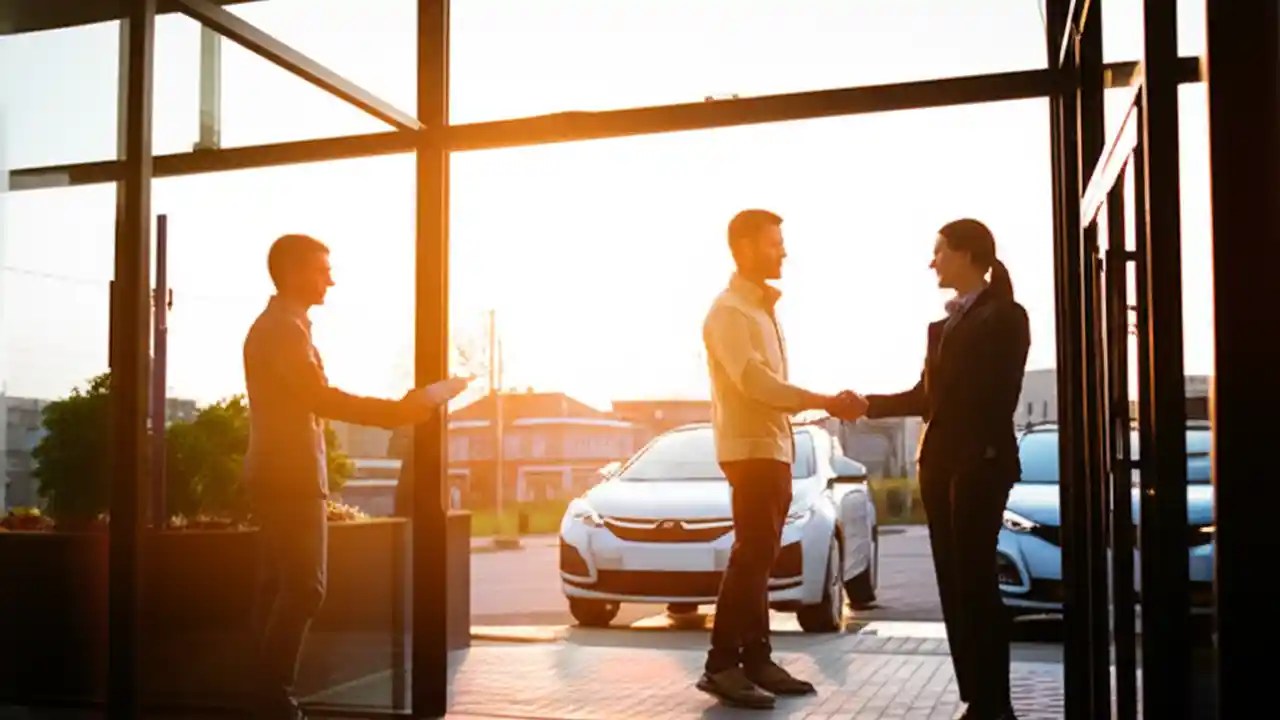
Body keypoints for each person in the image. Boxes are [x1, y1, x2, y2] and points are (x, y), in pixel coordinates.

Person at [242, 233, 469, 719]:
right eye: (322, 269)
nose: (331, 279)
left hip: (282, 473)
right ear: (294, 272)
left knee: (282, 589)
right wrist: (402, 411)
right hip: (289, 476)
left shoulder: (286, 326)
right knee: (304, 588)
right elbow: (320, 399)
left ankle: (264, 696)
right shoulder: (283, 329)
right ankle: (272, 699)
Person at [859, 219, 1029, 720]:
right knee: (955, 585)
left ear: (966, 253)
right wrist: (863, 406)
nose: (932, 261)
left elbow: (996, 396)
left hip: (978, 465)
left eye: (938, 251)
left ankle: (995, 702)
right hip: (939, 468)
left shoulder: (1005, 316)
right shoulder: (942, 327)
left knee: (977, 584)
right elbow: (925, 397)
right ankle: (978, 698)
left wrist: (976, 451)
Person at [696, 209, 865, 710]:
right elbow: (755, 384)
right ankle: (721, 664)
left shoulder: (763, 310)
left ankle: (756, 658)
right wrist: (824, 400)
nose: (783, 252)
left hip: (772, 449)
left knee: (760, 556)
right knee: (751, 555)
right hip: (749, 451)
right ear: (744, 247)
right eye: (773, 243)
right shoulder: (729, 312)